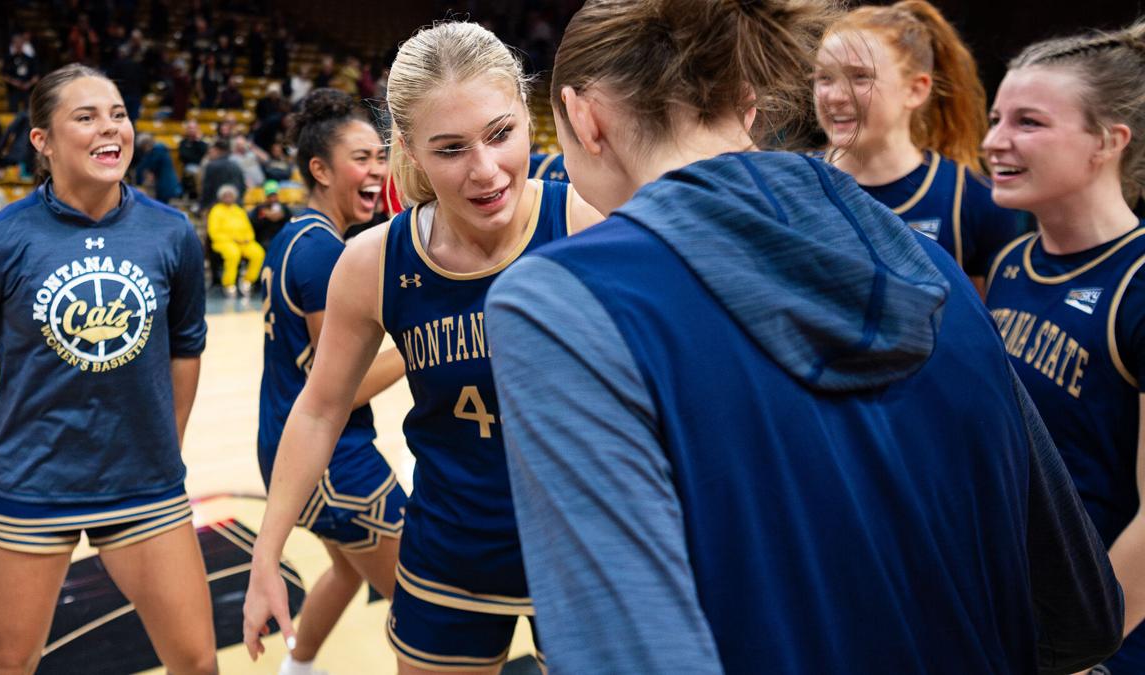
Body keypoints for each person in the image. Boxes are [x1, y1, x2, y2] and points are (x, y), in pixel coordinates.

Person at [482, 1, 1125, 673]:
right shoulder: (929, 264)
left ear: (583, 116)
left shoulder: (561, 299)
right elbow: (1080, 614)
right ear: (749, 102)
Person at [242, 21, 602, 673]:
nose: (486, 170)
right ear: (408, 147)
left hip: (587, 548)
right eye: (451, 148)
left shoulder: (588, 223)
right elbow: (320, 407)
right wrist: (266, 550)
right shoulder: (371, 261)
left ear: (528, 113)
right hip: (451, 551)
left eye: (501, 134)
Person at [0, 63, 215, 673]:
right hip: (30, 486)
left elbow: (186, 348)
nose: (110, 128)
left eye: (118, 114)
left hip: (145, 488)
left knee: (197, 663)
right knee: (6, 664)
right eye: (86, 117)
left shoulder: (171, 234)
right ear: (41, 140)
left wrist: (165, 444)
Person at [983, 20, 1145, 673]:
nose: (994, 140)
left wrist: (1081, 650)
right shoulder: (1010, 263)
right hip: (1019, 615)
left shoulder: (1135, 285)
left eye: (1029, 122)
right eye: (995, 117)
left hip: (1104, 643)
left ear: (1108, 141)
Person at [258, 88, 407, 675]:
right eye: (362, 159)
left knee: (347, 570)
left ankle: (297, 669)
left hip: (285, 449)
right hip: (333, 461)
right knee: (425, 601)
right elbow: (342, 386)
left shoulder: (294, 237)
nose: (376, 170)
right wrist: (423, 346)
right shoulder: (325, 256)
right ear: (320, 170)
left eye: (380, 157)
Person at [813, 0, 1020, 296]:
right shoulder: (788, 182)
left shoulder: (970, 198)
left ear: (916, 89)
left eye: (860, 77)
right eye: (824, 78)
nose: (834, 96)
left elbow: (985, 328)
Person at [208, 183, 265, 298]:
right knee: (233, 254)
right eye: (226, 195)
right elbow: (213, 231)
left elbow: (249, 229)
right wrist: (232, 239)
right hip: (224, 242)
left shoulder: (239, 211)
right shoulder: (216, 211)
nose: (228, 197)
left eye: (231, 195)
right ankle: (229, 284)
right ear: (221, 197)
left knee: (258, 253)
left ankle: (248, 281)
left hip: (243, 242)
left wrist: (247, 239)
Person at [198, 137, 245, 213]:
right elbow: (243, 187)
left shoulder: (211, 166)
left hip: (217, 208)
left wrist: (202, 206)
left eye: (211, 151)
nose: (209, 154)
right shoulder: (236, 165)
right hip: (236, 207)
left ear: (217, 150)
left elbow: (207, 189)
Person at [3, 32, 40, 114]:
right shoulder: (9, 59)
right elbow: (4, 75)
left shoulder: (30, 59)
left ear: (23, 44)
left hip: (27, 89)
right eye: (16, 43)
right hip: (13, 90)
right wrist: (14, 82)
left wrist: (28, 84)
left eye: (20, 43)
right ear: (13, 44)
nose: (18, 45)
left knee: (28, 112)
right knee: (13, 111)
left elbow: (36, 76)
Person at [250, 179, 292, 248]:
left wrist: (282, 216)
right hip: (265, 239)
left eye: (274, 196)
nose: (272, 199)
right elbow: (254, 225)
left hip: (281, 237)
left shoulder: (283, 207)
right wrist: (265, 216)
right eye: (270, 196)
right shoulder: (260, 208)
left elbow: (290, 222)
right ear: (266, 197)